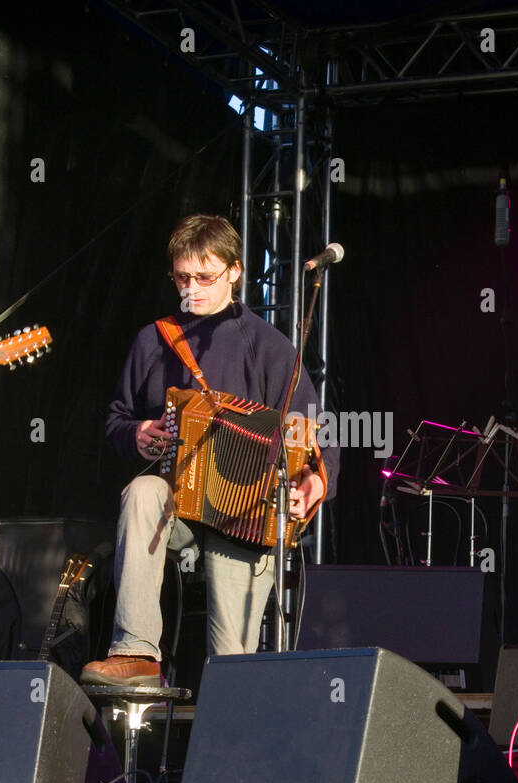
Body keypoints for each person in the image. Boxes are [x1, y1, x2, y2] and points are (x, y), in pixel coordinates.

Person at [84, 214, 337, 686]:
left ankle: (234, 732)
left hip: (243, 513)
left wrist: (316, 481)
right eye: (182, 277)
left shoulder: (268, 346)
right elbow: (116, 418)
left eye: (205, 277)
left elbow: (311, 429)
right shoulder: (154, 340)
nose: (191, 288)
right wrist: (137, 431)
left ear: (236, 271)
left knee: (230, 666)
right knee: (141, 491)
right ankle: (136, 652)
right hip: (177, 504)